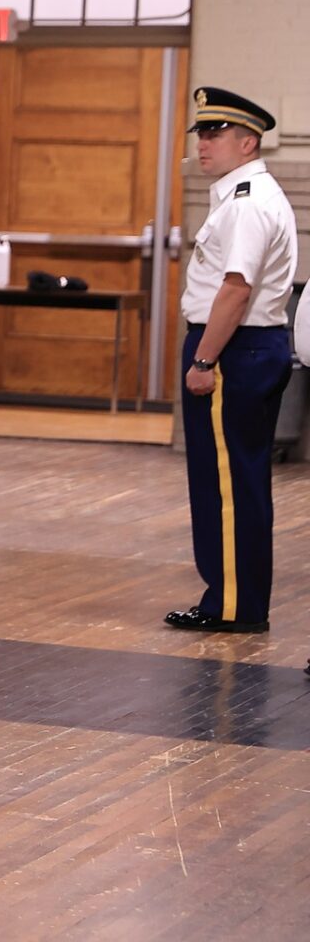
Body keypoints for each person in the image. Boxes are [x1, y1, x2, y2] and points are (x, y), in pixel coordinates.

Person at [167, 88, 296, 637]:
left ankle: (234, 604)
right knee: (236, 479)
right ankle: (233, 597)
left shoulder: (246, 203)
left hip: (232, 349)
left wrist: (203, 358)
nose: (204, 144)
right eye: (201, 133)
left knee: (226, 483)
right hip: (244, 347)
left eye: (216, 134)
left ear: (248, 142)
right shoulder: (246, 195)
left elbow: (235, 290)